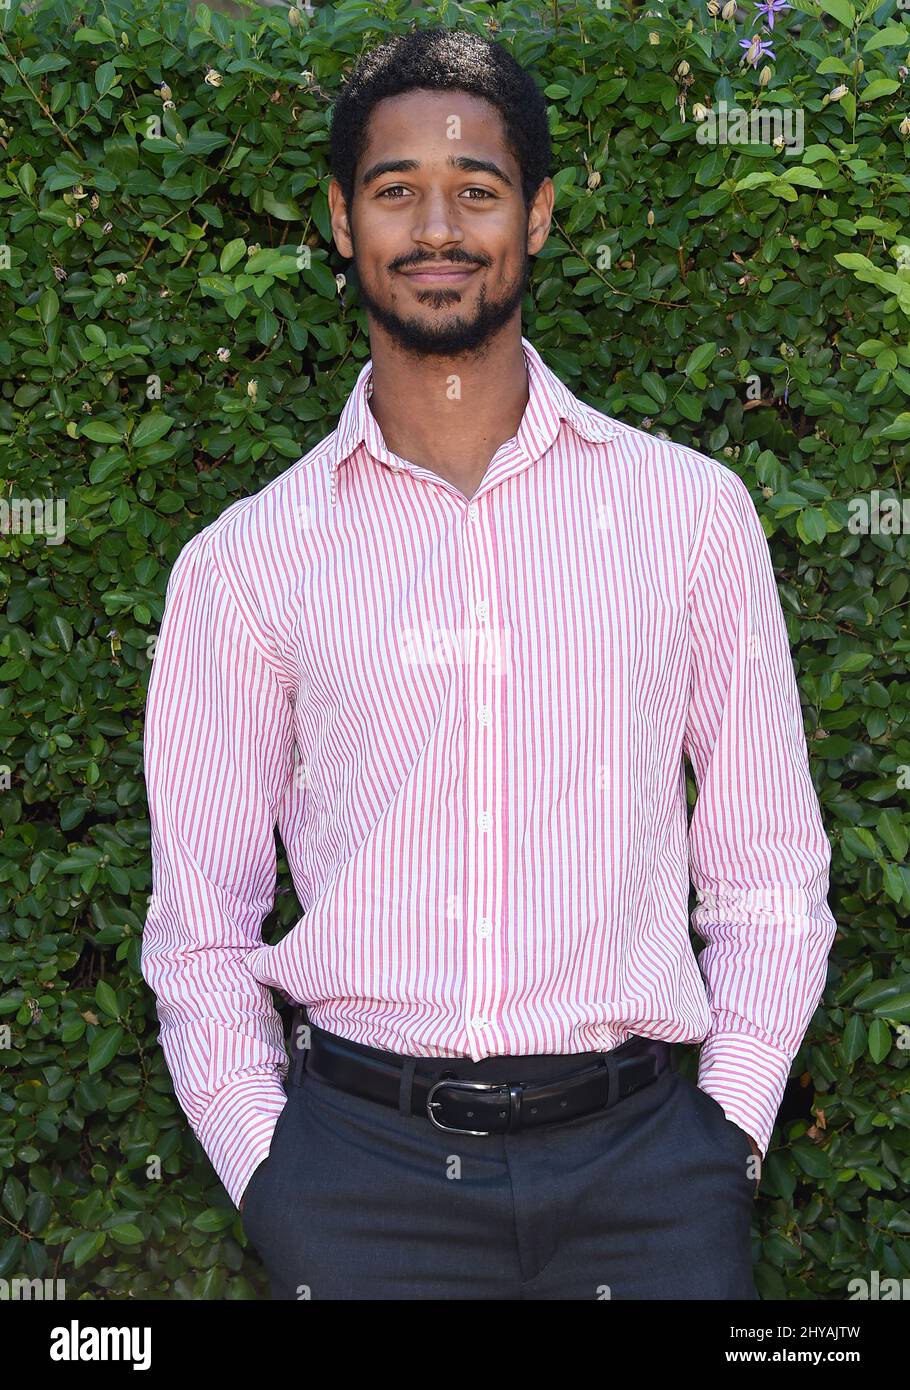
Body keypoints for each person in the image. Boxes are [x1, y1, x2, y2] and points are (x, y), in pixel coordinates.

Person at [140, 26, 838, 1300]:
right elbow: (200, 933)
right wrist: (272, 1173)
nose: (438, 225)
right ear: (342, 222)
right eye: (396, 189)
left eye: (478, 188)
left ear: (540, 215)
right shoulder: (244, 564)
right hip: (358, 1182)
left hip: (648, 1177)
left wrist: (723, 1136)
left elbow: (769, 872)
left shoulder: (689, 514)